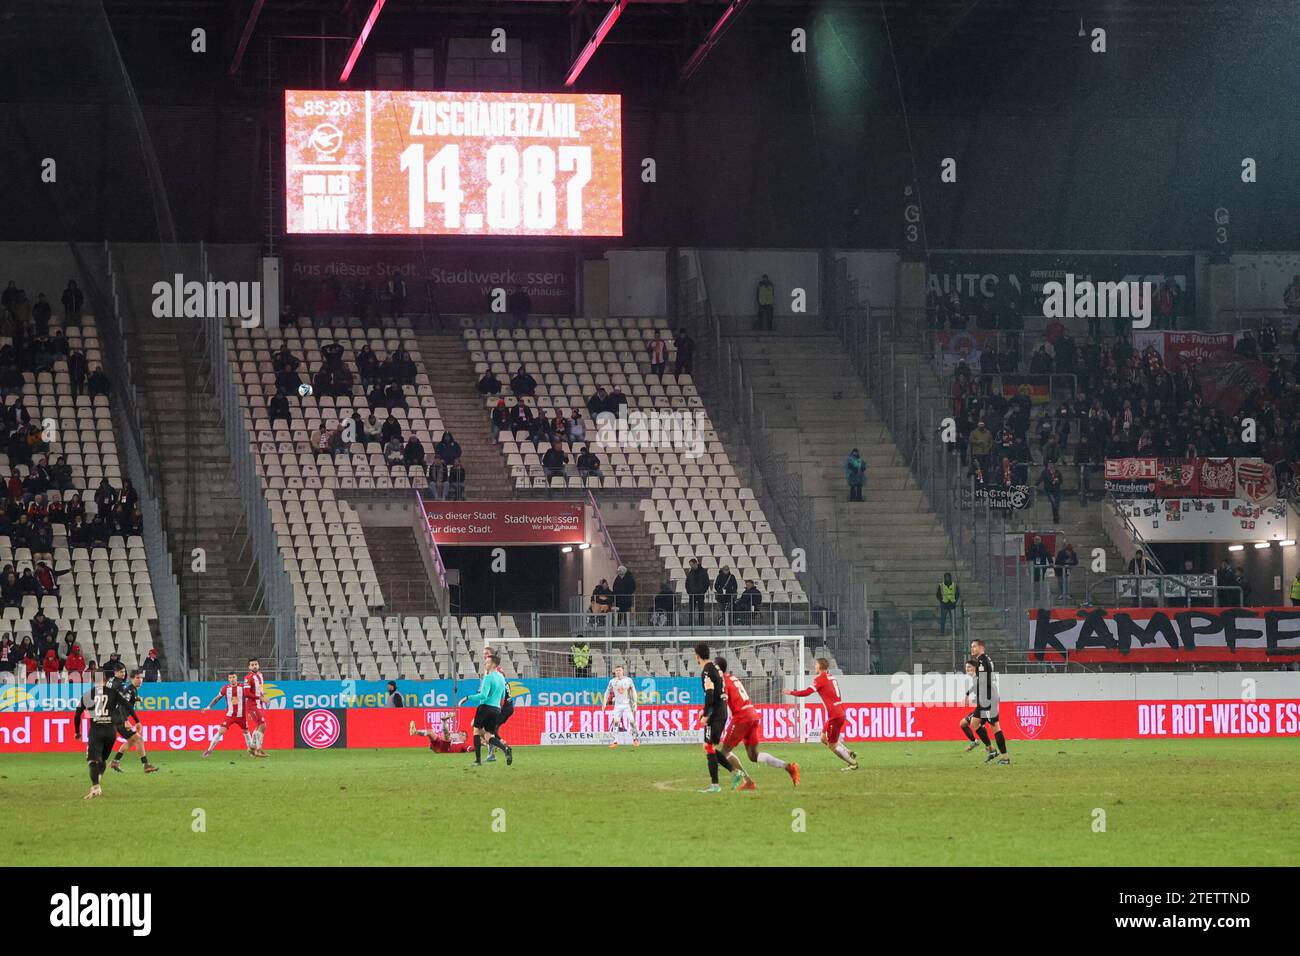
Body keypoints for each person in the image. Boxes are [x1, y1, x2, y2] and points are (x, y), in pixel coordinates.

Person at [714, 656, 799, 788]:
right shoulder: (732, 677)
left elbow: (722, 703)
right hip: (752, 714)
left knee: (723, 753)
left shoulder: (722, 682)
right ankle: (788, 767)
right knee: (753, 756)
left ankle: (742, 780)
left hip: (741, 717)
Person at [785, 658, 858, 770]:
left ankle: (852, 763)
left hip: (835, 715)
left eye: (816, 664)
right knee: (823, 738)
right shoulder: (831, 677)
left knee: (832, 745)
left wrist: (790, 692)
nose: (815, 666)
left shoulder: (820, 679)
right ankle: (848, 751)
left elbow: (806, 692)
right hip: (839, 711)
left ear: (819, 666)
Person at [74, 666, 125, 799]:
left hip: (97, 731)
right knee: (102, 759)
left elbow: (78, 714)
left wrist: (77, 731)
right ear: (105, 678)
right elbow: (119, 709)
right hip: (110, 731)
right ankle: (98, 783)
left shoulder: (89, 694)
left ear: (92, 679)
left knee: (92, 761)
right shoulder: (112, 693)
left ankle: (96, 786)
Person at [693, 643, 732, 793]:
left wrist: (706, 715)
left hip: (715, 714)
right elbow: (715, 693)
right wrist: (704, 711)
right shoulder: (715, 667)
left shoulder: (707, 671)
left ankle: (715, 785)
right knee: (709, 746)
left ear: (697, 656)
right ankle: (735, 772)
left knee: (708, 747)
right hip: (721, 711)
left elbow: (709, 693)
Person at [464, 654, 512, 766]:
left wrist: (468, 697)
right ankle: (505, 748)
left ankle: (478, 761)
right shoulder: (502, 678)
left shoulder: (488, 677)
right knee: (488, 736)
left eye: (487, 662)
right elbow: (502, 697)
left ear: (493, 664)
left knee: (476, 731)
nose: (485, 664)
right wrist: (497, 708)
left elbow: (483, 696)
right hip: (496, 709)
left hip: (485, 707)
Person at [107, 670, 159, 774]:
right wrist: (126, 721)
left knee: (131, 741)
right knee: (139, 739)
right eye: (137, 678)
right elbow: (122, 705)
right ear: (131, 679)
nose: (140, 680)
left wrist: (136, 700)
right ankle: (146, 765)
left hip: (118, 719)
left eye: (141, 678)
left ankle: (115, 762)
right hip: (119, 719)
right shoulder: (129, 690)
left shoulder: (133, 690)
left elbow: (129, 706)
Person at [968, 639, 1009, 764]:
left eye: (974, 646)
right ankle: (992, 750)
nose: (972, 649)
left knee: (995, 726)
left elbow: (984, 680)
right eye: (971, 647)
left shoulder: (981, 660)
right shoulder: (986, 659)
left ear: (981, 647)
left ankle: (1005, 758)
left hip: (988, 698)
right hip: (985, 698)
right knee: (974, 723)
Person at [202, 672, 259, 758]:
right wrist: (208, 707)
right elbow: (217, 698)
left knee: (246, 732)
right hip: (230, 716)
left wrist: (250, 711)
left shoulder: (243, 687)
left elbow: (250, 699)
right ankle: (209, 750)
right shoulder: (225, 688)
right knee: (221, 731)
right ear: (228, 679)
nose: (232, 679)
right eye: (230, 678)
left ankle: (251, 751)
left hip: (241, 716)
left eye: (233, 677)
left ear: (236, 678)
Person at [604, 664, 641, 748]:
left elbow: (634, 690)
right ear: (615, 672)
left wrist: (635, 702)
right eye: (616, 671)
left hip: (627, 704)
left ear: (623, 671)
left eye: (619, 670)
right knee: (616, 722)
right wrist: (604, 702)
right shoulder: (612, 681)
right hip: (617, 704)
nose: (618, 672)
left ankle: (635, 739)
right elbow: (607, 691)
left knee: (632, 721)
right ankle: (615, 741)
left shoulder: (628, 680)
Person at [409, 713, 473, 753]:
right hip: (440, 747)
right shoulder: (454, 740)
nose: (460, 735)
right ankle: (415, 732)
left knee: (447, 737)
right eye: (460, 733)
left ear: (465, 738)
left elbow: (470, 749)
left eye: (463, 734)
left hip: (446, 750)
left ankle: (444, 721)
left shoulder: (463, 744)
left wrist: (480, 744)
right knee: (430, 732)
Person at [244, 657, 269, 758]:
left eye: (256, 664)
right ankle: (258, 749)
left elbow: (259, 689)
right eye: (252, 665)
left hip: (259, 704)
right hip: (253, 705)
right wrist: (260, 697)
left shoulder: (260, 675)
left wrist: (261, 698)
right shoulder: (248, 678)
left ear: (258, 665)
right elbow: (246, 693)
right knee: (262, 725)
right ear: (249, 667)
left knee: (260, 726)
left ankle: (252, 748)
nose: (254, 666)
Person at [685, 558, 709, 625]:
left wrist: (703, 591)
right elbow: (687, 583)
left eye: (692, 565)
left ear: (696, 563)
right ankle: (691, 624)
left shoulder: (703, 572)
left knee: (701, 610)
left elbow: (707, 583)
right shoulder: (690, 573)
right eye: (690, 565)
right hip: (692, 595)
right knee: (691, 610)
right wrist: (689, 591)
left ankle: (701, 624)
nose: (691, 566)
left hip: (700, 594)